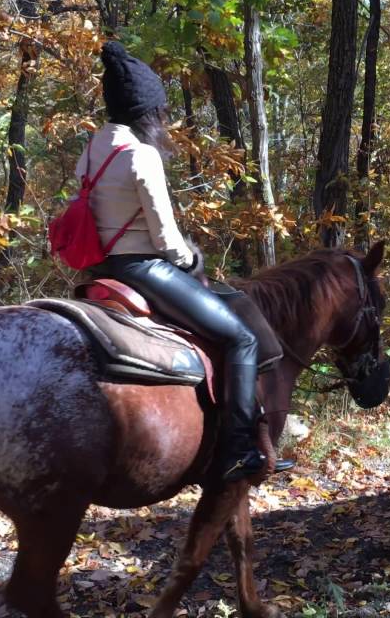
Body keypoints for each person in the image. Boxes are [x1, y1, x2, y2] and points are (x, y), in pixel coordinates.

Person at [81, 41, 274, 481]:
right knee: (240, 338)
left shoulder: (92, 151)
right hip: (144, 270)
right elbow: (166, 239)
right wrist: (191, 257)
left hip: (101, 271)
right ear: (147, 111)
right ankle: (239, 450)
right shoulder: (141, 156)